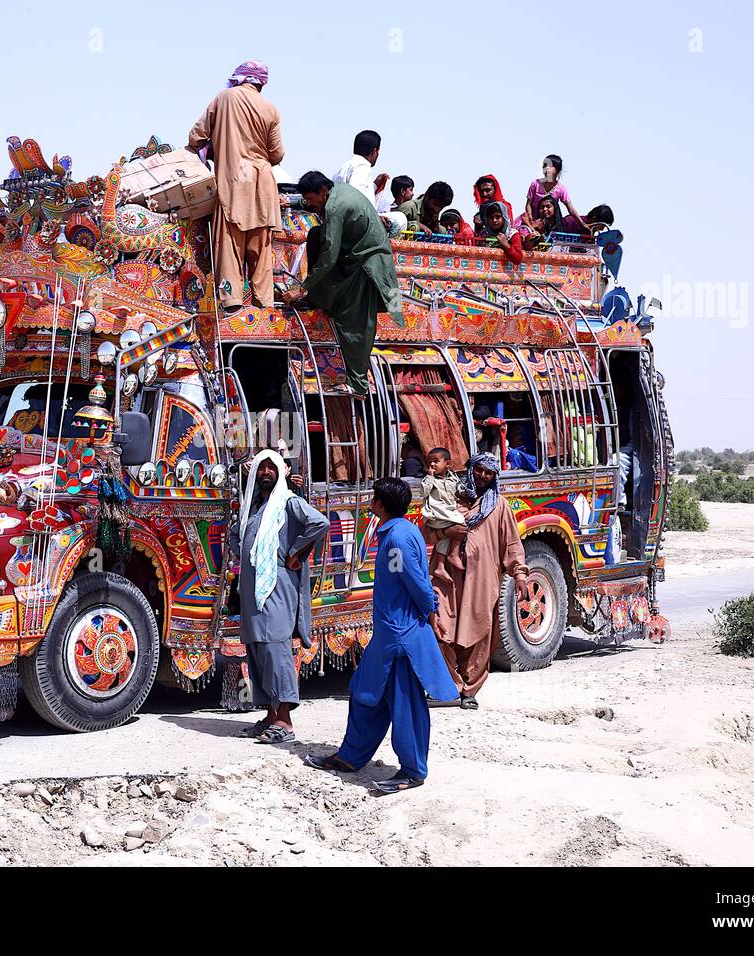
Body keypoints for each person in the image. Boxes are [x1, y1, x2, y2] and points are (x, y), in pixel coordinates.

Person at [304, 477, 458, 792]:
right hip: (388, 634)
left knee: (405, 704)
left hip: (400, 637)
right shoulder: (404, 529)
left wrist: (431, 609)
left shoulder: (397, 539)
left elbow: (415, 580)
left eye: (373, 498)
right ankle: (350, 756)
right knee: (365, 695)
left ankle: (413, 770)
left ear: (379, 504)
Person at [227, 449, 328, 743]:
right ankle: (271, 716)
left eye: (271, 468)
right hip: (252, 591)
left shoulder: (289, 503)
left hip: (276, 589)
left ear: (281, 472)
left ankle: (285, 722)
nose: (265, 473)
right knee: (258, 651)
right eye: (261, 468)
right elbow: (236, 535)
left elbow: (319, 523)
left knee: (275, 650)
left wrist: (296, 552)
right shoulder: (253, 507)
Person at [280, 172, 404, 399]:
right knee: (316, 234)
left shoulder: (335, 208)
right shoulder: (334, 192)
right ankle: (320, 298)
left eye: (310, 199)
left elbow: (329, 254)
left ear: (322, 192)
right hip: (353, 258)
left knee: (354, 324)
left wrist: (303, 287)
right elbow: (323, 240)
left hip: (367, 265)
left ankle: (358, 385)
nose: (309, 204)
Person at [431, 453, 531, 708]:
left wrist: (519, 574)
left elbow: (511, 543)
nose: (483, 476)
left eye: (489, 472)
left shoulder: (499, 506)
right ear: (471, 469)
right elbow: (427, 532)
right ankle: (449, 687)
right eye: (479, 470)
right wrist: (446, 532)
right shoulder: (451, 497)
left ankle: (469, 691)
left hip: (482, 580)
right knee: (440, 627)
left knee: (478, 633)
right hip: (447, 579)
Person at [187, 60, 285, 313]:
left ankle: (231, 303)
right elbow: (277, 154)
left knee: (229, 245)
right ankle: (263, 303)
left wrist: (216, 144)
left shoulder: (225, 98)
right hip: (262, 185)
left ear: (240, 78)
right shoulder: (271, 109)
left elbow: (195, 136)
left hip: (233, 183)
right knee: (260, 249)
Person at [333, 130, 409, 233]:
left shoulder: (346, 166)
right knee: (400, 219)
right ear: (375, 151)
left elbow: (353, 192)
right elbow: (356, 200)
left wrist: (374, 185)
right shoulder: (363, 167)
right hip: (353, 223)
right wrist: (376, 217)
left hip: (340, 218)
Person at [419, 447, 469, 575]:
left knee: (446, 537)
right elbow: (424, 492)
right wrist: (429, 476)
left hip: (448, 514)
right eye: (430, 461)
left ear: (447, 464)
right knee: (461, 524)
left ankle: (440, 566)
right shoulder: (430, 479)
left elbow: (459, 491)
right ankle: (453, 554)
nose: (432, 464)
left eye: (436, 461)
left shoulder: (453, 478)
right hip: (437, 515)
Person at [524, 154, 586, 234]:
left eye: (550, 166)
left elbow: (570, 208)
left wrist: (582, 223)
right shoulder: (535, 184)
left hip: (549, 223)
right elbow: (528, 204)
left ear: (557, 170)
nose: (546, 169)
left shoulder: (561, 189)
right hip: (533, 221)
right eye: (544, 166)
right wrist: (531, 220)